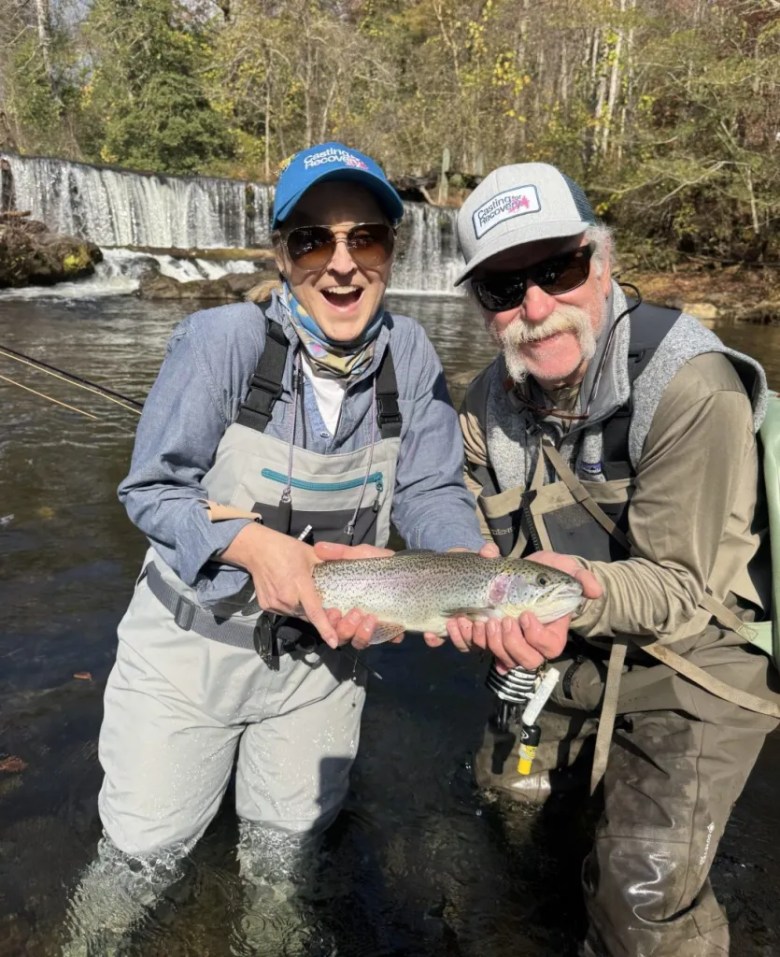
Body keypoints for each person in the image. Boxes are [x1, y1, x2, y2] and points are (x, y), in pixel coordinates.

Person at [61, 141, 517, 955]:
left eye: (365, 238)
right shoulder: (221, 342)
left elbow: (430, 488)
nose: (341, 264)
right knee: (138, 863)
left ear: (391, 248)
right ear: (281, 252)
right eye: (312, 240)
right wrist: (252, 545)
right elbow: (150, 492)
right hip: (188, 655)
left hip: (323, 665)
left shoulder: (409, 355)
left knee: (284, 865)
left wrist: (462, 568)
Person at [449, 160, 780, 956]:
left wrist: (575, 587)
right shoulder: (483, 408)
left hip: (698, 650)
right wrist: (459, 583)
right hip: (564, 636)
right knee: (507, 798)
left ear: (602, 261)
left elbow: (679, 588)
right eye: (503, 287)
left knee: (637, 897)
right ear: (483, 307)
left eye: (558, 269)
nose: (536, 306)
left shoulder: (690, 386)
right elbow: (474, 541)